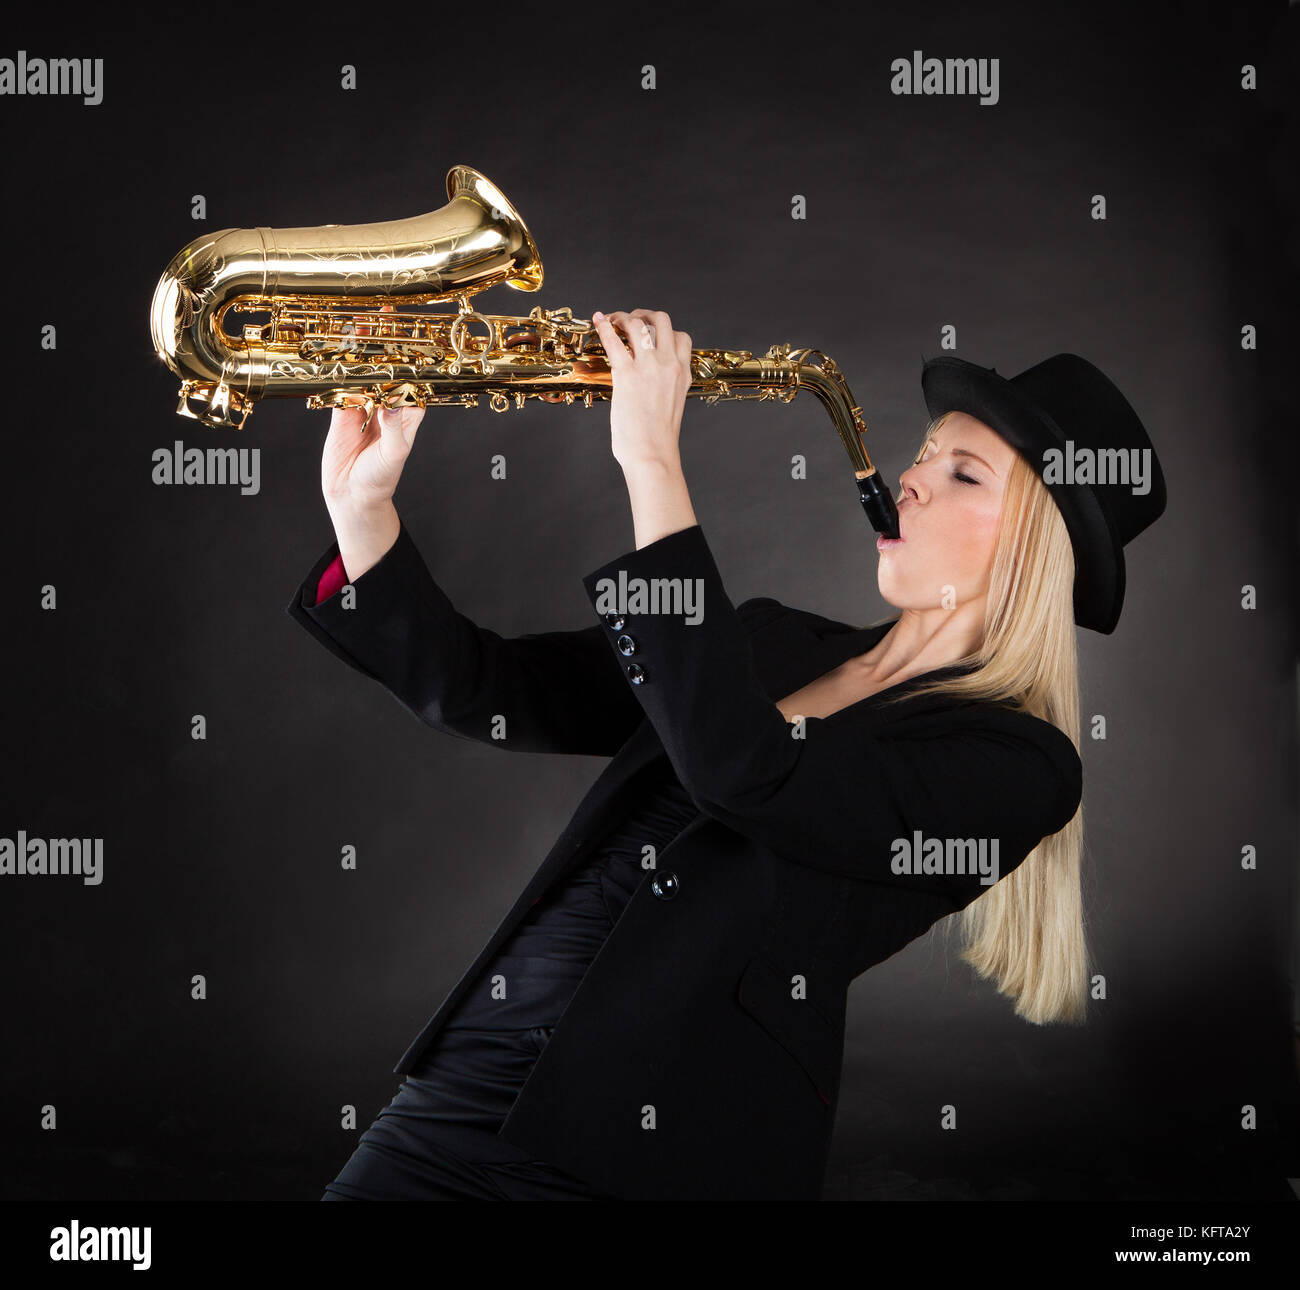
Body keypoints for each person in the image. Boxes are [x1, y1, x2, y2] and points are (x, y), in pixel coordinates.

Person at [285, 308, 1167, 1201]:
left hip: (649, 1154)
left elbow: (747, 773)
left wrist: (653, 465)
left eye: (963, 472)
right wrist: (364, 512)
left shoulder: (1022, 767)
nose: (910, 480)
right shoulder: (766, 638)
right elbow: (495, 691)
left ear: (1031, 545)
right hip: (465, 1090)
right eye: (925, 452)